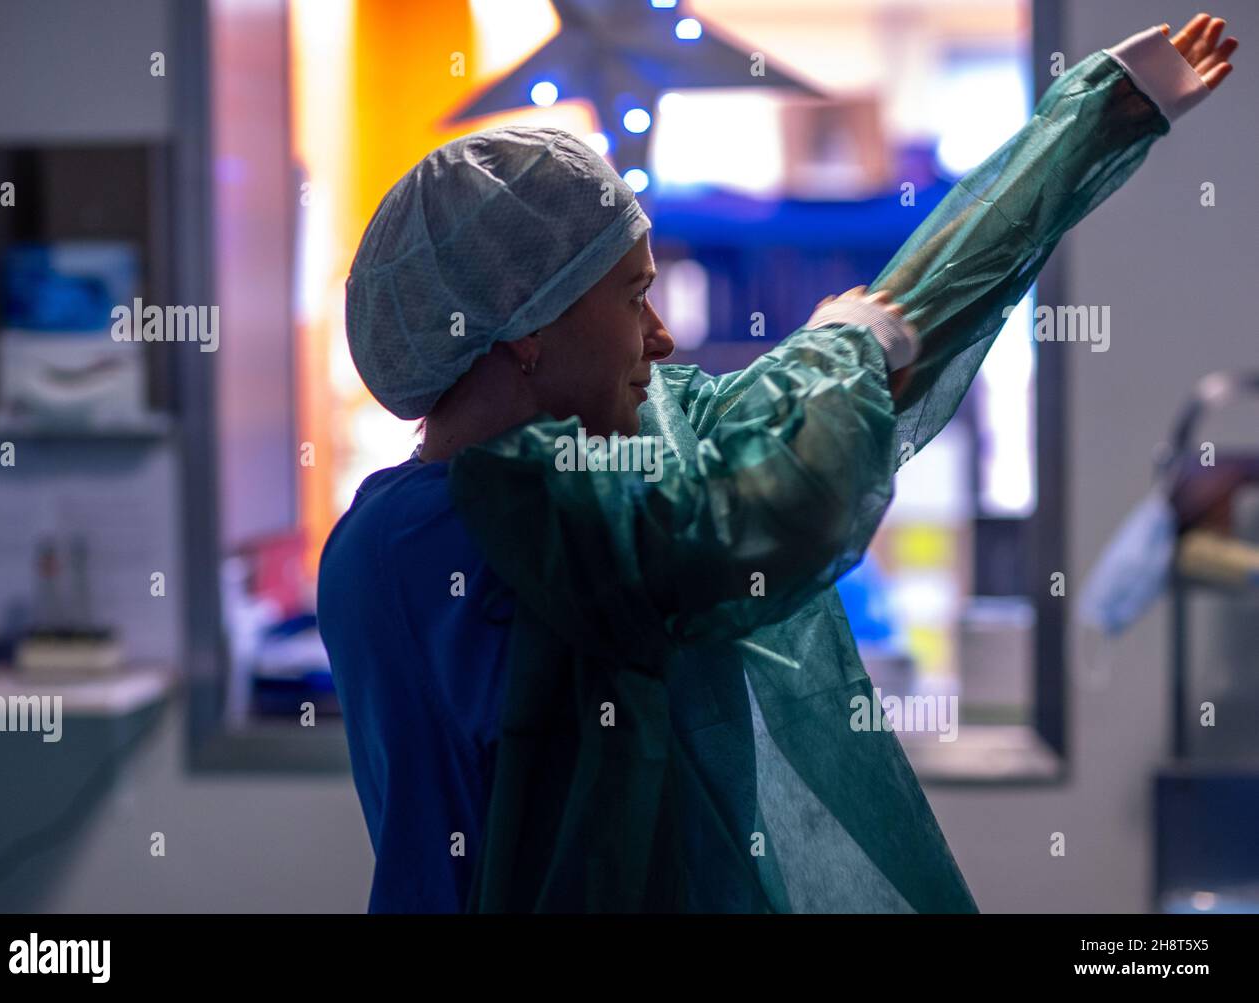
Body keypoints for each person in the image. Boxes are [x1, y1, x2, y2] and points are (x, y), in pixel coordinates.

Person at [318, 15, 1237, 913]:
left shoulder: (608, 468)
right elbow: (749, 510)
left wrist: (1088, 124)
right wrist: (847, 352)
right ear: (527, 328)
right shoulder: (437, 537)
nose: (663, 335)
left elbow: (892, 330)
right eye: (634, 296)